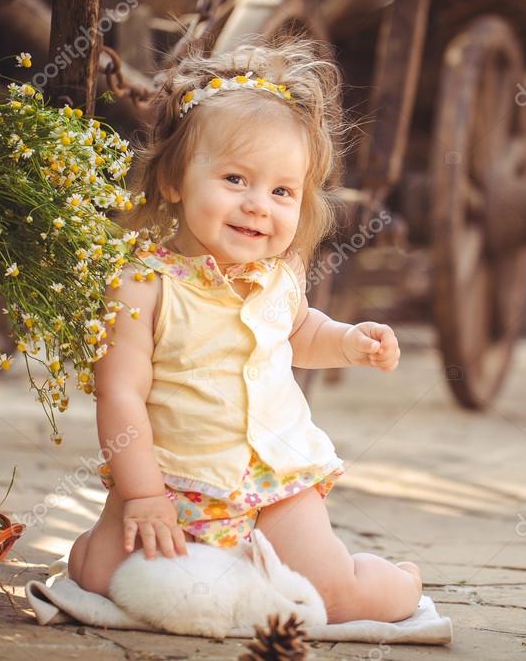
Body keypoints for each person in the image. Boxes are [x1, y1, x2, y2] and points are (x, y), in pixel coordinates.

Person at [67, 38, 422, 624]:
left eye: (282, 191)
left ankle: (396, 584)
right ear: (176, 181)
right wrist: (143, 496)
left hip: (276, 484)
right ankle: (91, 547)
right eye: (235, 179)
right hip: (171, 478)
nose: (260, 205)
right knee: (103, 576)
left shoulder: (278, 275)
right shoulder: (143, 284)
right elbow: (120, 394)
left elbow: (298, 331)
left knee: (330, 593)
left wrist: (346, 342)